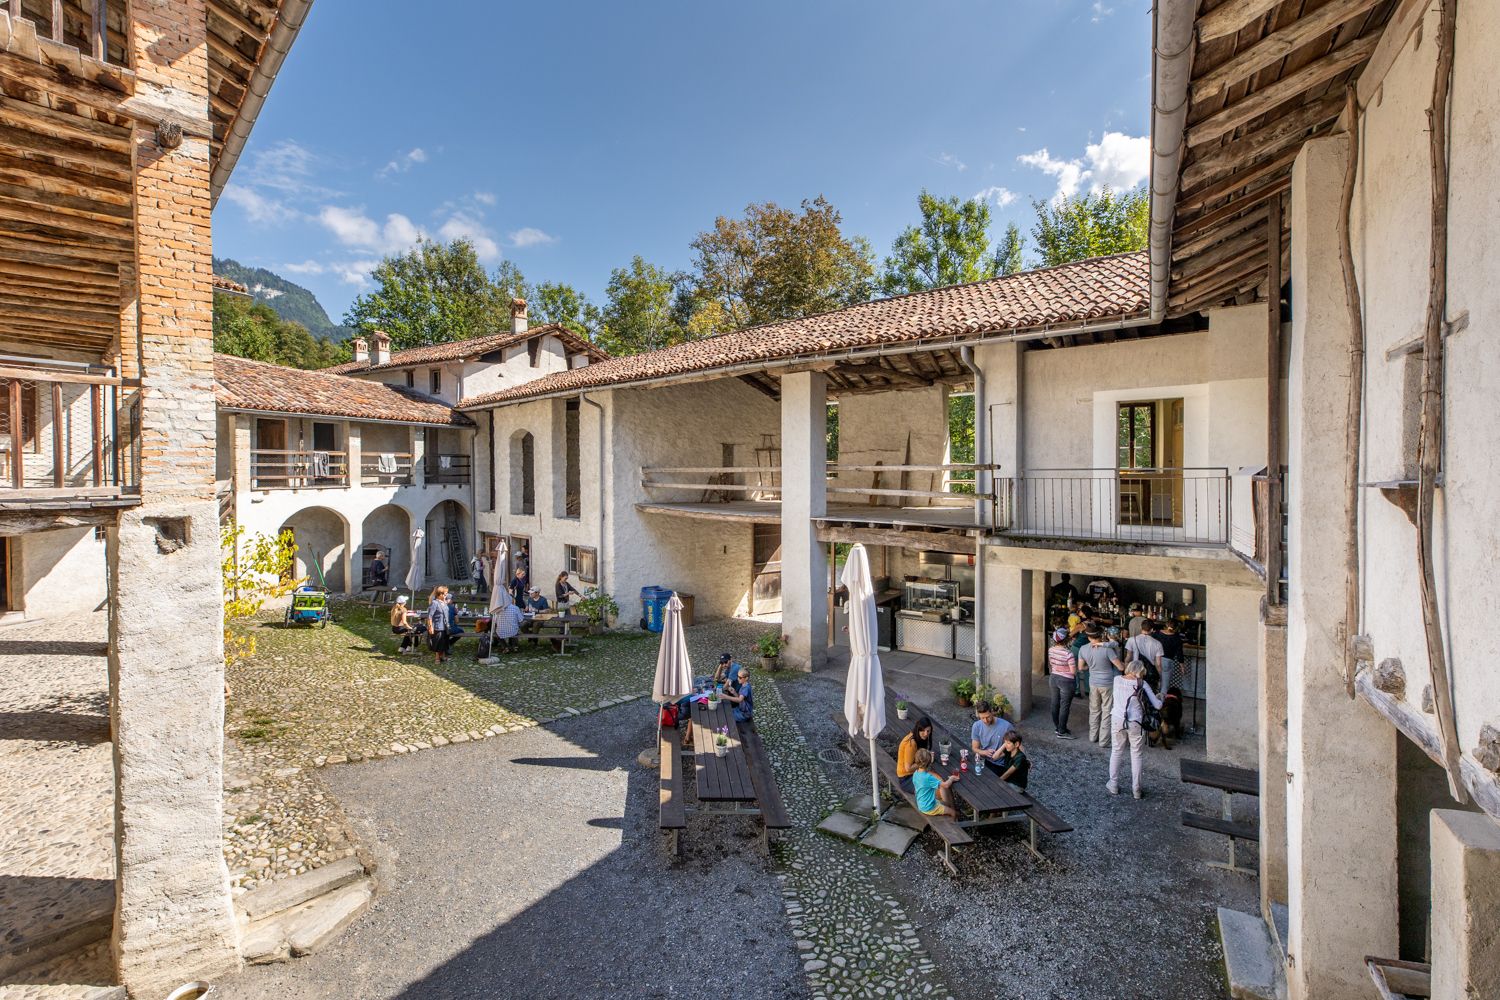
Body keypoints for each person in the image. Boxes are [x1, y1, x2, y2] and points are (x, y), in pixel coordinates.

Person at [1107, 662, 1164, 799]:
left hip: (1117, 719)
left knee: (1116, 751)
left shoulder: (1116, 680)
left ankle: (1113, 784)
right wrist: (1160, 697)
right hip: (1135, 722)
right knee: (1136, 754)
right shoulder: (1142, 684)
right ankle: (1136, 789)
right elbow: (1157, 705)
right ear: (1141, 671)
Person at [1080, 627, 1125, 747]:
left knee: (1094, 710)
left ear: (1088, 637)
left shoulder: (1083, 649)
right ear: (1100, 635)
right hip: (1107, 684)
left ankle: (1092, 736)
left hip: (1093, 682)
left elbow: (1081, 667)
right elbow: (1120, 667)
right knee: (1107, 711)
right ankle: (1104, 741)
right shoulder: (1107, 649)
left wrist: (1090, 667)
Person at [1046, 628, 1079, 738]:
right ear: (1066, 639)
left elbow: (1051, 664)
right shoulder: (1068, 653)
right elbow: (1073, 671)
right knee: (1065, 706)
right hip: (1066, 681)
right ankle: (1062, 731)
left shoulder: (1051, 650)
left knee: (1055, 703)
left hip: (1054, 678)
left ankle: (1058, 727)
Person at [911, 749, 959, 818]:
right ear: (929, 762)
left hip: (921, 803)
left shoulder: (916, 773)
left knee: (946, 804)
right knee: (953, 812)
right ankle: (954, 826)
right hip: (929, 807)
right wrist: (951, 778)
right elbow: (946, 785)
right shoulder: (928, 777)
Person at [970, 700, 1014, 769]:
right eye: (982, 718)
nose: (985, 720)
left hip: (1000, 764)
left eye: (987, 717)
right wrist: (984, 752)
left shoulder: (1007, 726)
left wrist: (1000, 754)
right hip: (983, 761)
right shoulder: (976, 726)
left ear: (992, 712)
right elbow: (974, 748)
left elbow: (1016, 746)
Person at [896, 716, 934, 794]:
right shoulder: (912, 744)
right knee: (934, 786)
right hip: (906, 779)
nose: (926, 734)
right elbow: (908, 768)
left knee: (935, 780)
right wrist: (927, 759)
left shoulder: (918, 737)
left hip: (913, 774)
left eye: (928, 731)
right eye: (922, 731)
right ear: (918, 729)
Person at [1125, 619, 1164, 690]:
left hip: (1134, 672)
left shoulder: (1131, 640)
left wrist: (1126, 672)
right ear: (1152, 629)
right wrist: (1160, 677)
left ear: (1141, 627)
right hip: (1149, 674)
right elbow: (1158, 664)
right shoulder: (1158, 644)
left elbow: (1128, 658)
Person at [1157, 620, 1185, 694]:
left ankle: (1153, 703)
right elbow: (1179, 653)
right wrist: (1182, 666)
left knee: (1155, 684)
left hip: (1156, 660)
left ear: (1165, 625)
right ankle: (1161, 704)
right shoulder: (1177, 638)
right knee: (1164, 686)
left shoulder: (1157, 634)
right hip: (1167, 661)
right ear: (1176, 628)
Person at [426, 585, 452, 664]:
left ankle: (443, 656)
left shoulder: (444, 602)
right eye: (445, 593)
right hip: (438, 625)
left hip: (445, 625)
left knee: (444, 641)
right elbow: (430, 616)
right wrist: (430, 627)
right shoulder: (434, 603)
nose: (446, 595)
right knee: (438, 642)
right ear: (440, 594)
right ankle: (437, 657)